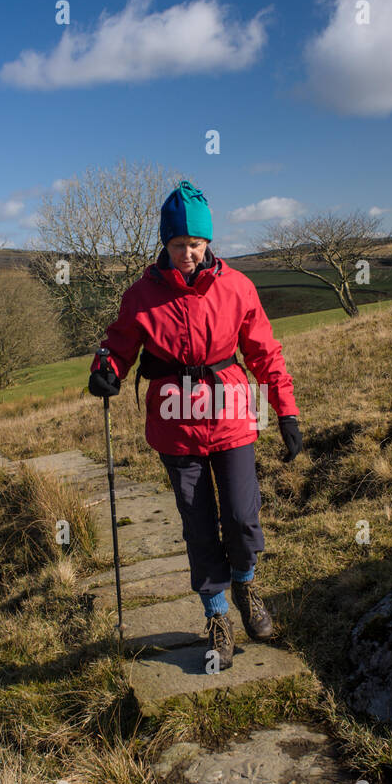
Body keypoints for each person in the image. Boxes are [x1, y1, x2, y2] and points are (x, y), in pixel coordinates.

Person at [87, 180, 302, 667]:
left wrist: (285, 409)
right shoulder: (141, 295)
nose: (188, 254)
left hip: (230, 416)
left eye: (197, 244)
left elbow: (264, 351)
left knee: (243, 519)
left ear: (209, 243)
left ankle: (246, 587)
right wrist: (107, 371)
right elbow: (118, 344)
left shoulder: (237, 287)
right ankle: (217, 614)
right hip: (174, 423)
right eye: (180, 244)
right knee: (199, 526)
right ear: (164, 242)